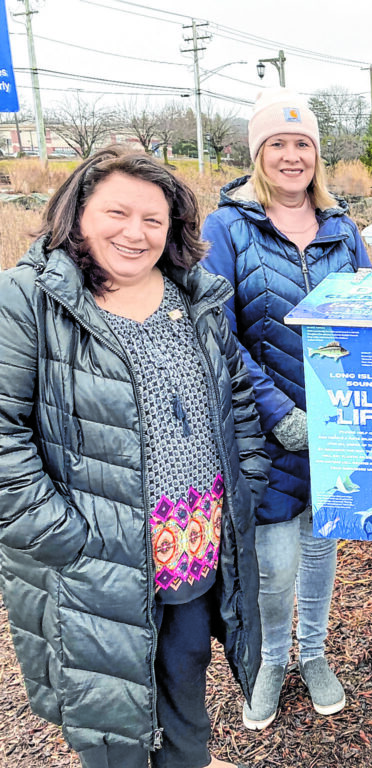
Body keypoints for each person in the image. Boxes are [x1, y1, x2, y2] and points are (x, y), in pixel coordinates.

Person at [0, 146, 269, 768]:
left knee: (185, 683)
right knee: (110, 716)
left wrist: (244, 485)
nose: (135, 232)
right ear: (78, 213)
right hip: (95, 557)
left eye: (154, 219)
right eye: (116, 212)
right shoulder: (29, 300)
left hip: (194, 542)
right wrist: (68, 539)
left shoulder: (193, 297)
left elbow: (238, 402)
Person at [201, 87, 370, 730]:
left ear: (317, 156)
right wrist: (276, 413)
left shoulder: (342, 230)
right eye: (278, 144)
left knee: (321, 545)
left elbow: (366, 321)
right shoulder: (227, 229)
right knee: (273, 560)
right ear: (257, 154)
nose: (292, 155)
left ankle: (315, 653)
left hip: (333, 422)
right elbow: (218, 331)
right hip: (260, 427)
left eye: (303, 145)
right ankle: (271, 660)